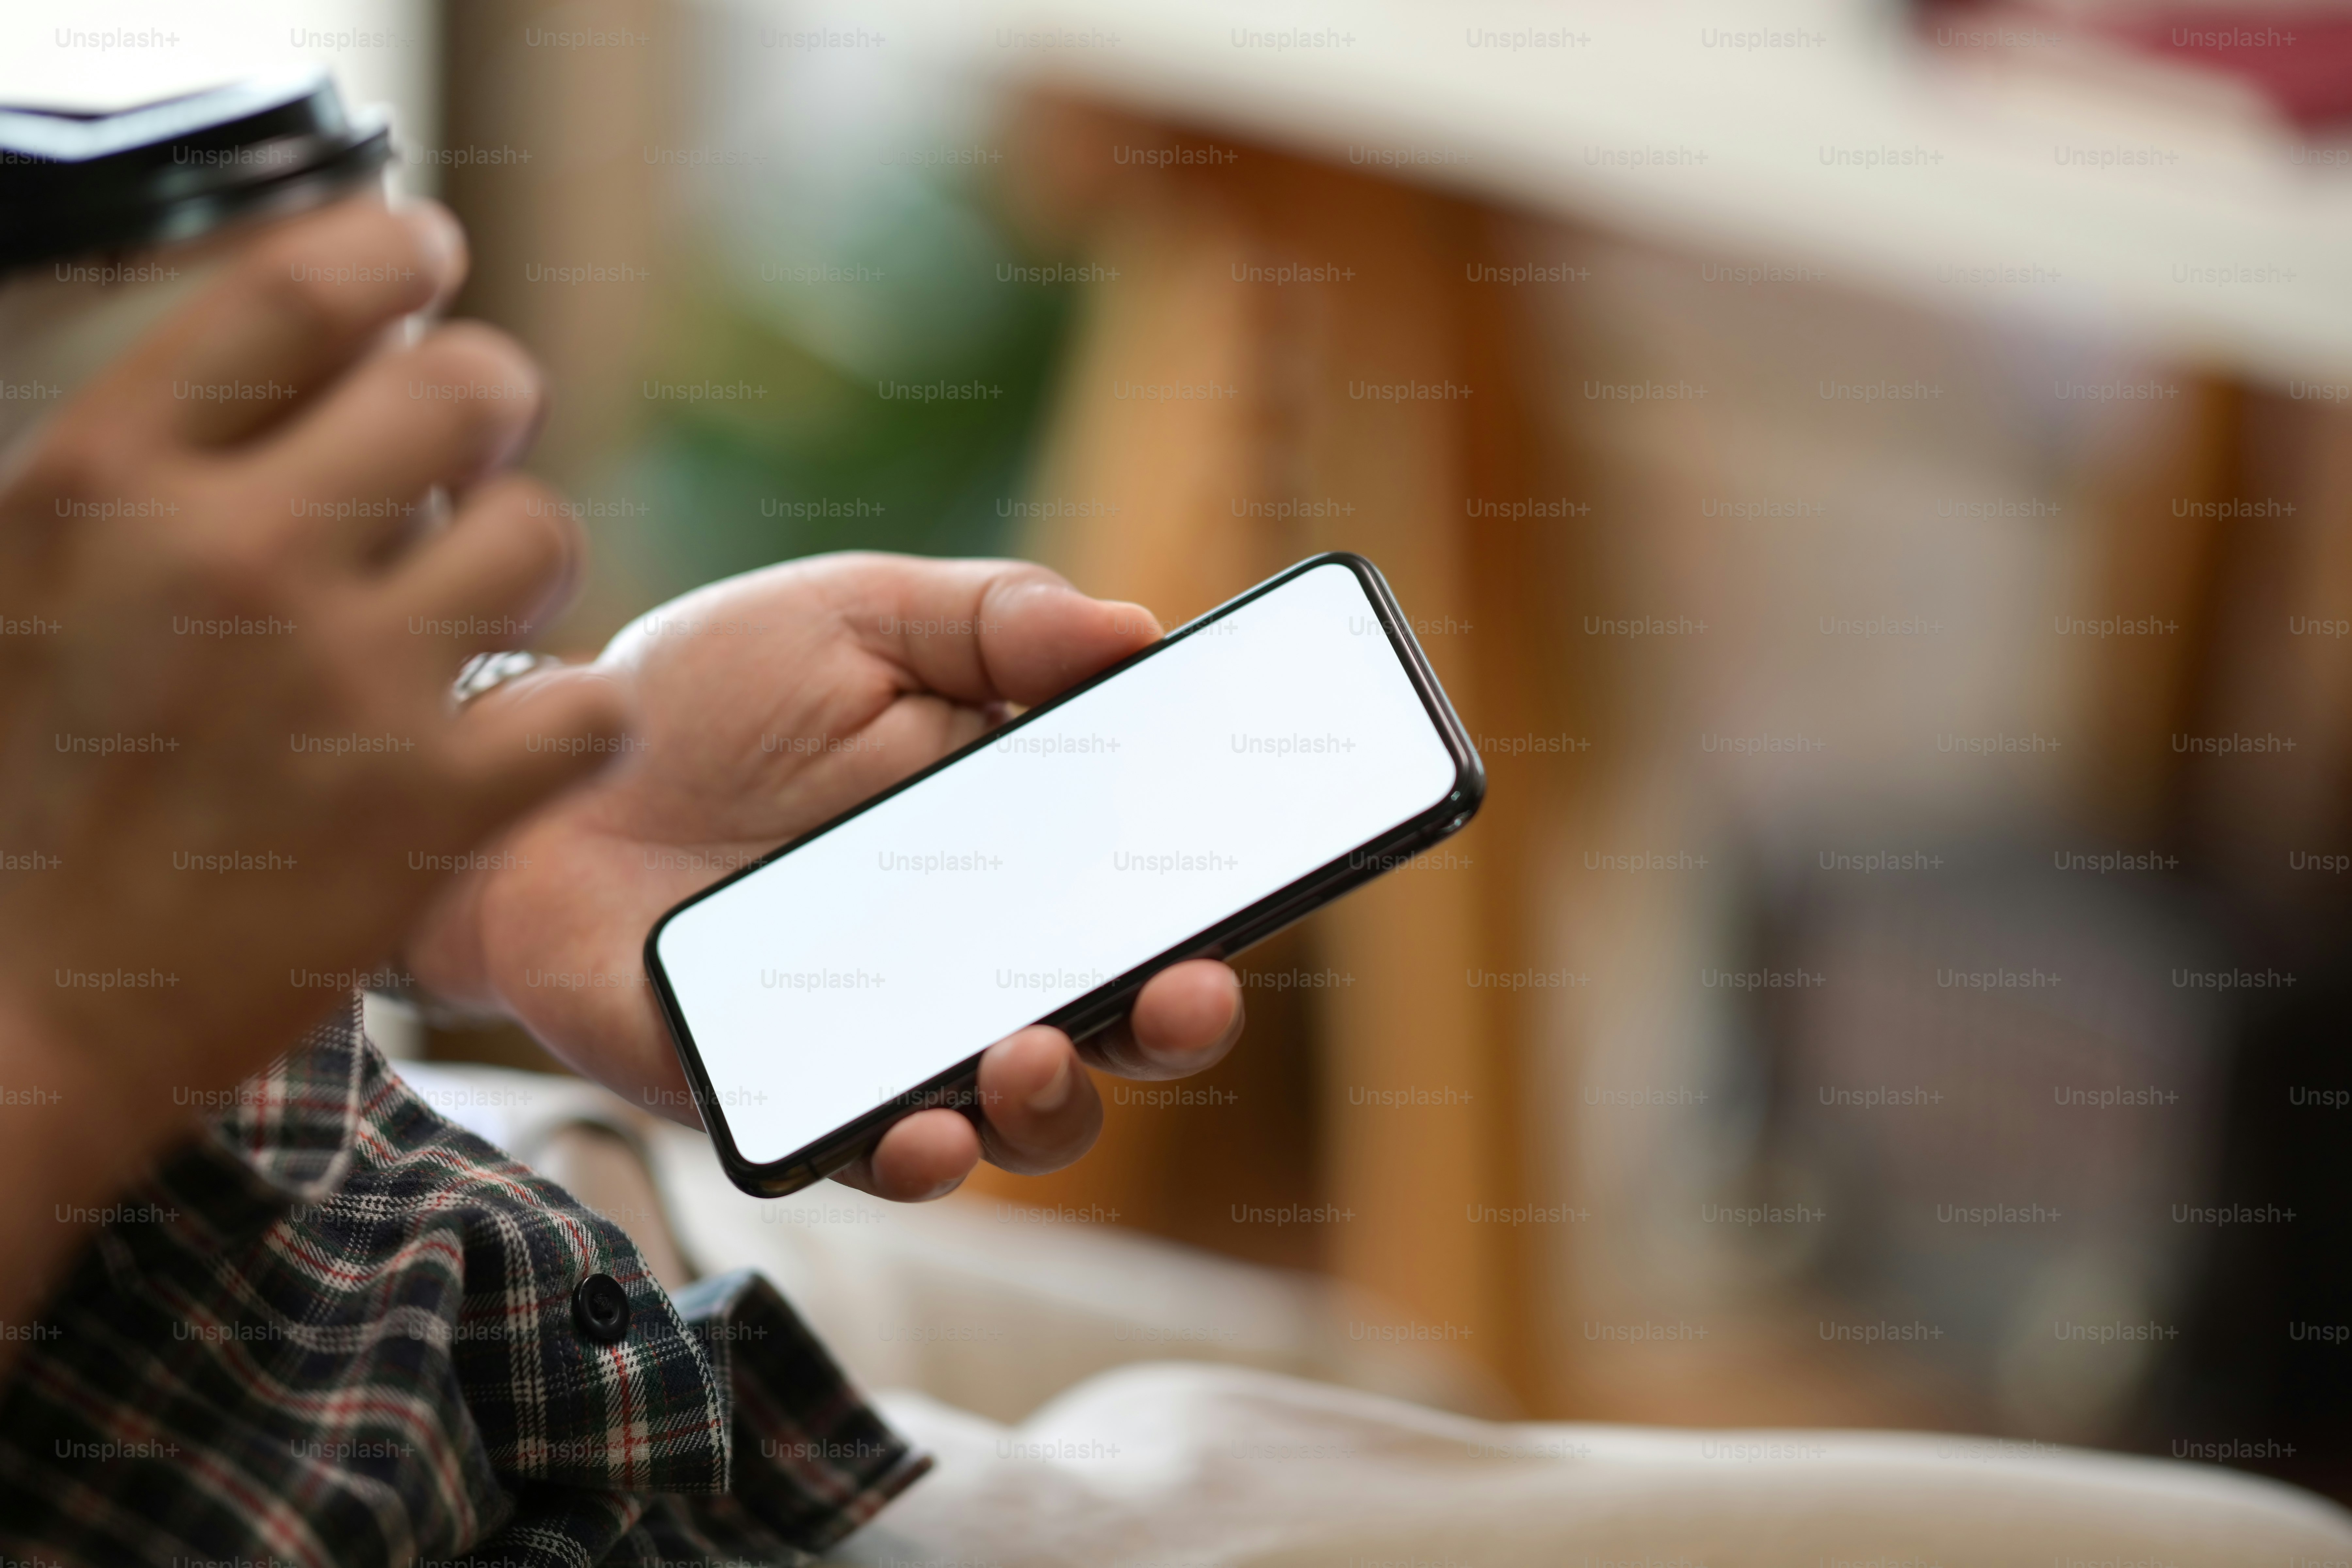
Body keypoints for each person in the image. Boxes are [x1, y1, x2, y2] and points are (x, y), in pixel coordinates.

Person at [0, 195, 1241, 1564]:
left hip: (466, 1245)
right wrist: (72, 1028)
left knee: (1376, 1377)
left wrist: (476, 835)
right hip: (478, 1496)